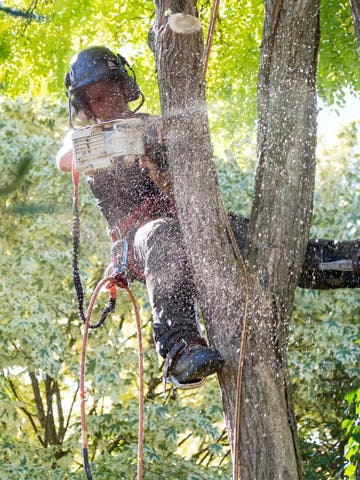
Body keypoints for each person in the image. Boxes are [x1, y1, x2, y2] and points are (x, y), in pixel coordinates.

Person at [57, 46, 224, 388]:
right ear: (85, 106)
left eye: (114, 90)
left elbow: (191, 191)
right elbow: (64, 158)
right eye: (99, 98)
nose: (111, 101)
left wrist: (156, 158)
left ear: (125, 86)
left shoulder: (155, 127)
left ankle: (342, 262)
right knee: (160, 234)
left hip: (186, 226)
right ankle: (180, 349)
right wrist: (114, 141)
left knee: (240, 232)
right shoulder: (83, 140)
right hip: (138, 244)